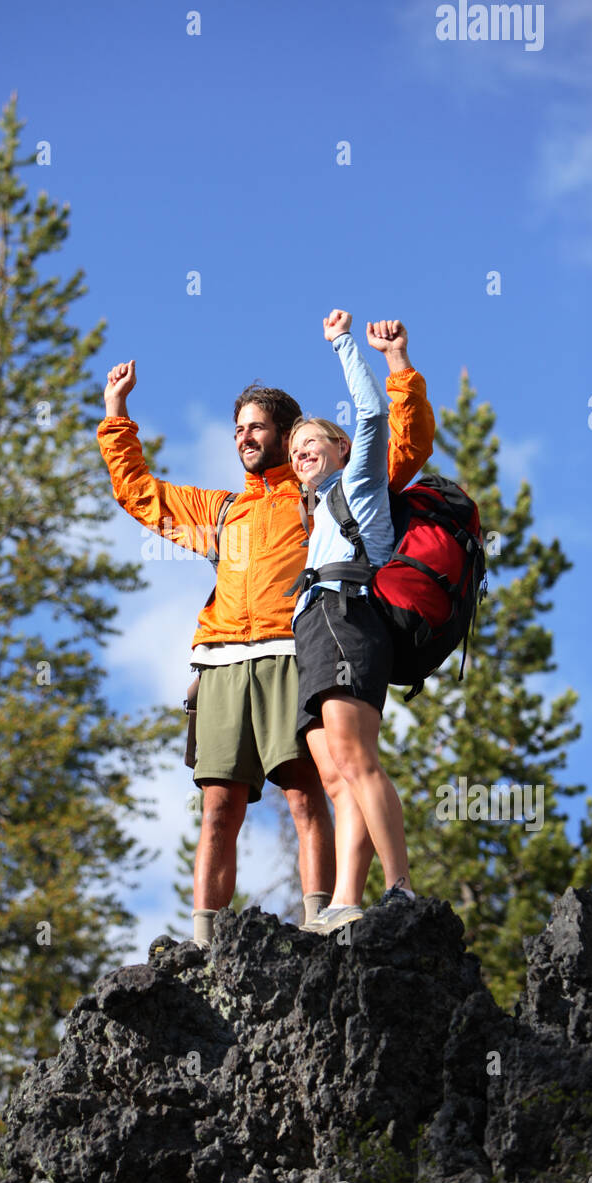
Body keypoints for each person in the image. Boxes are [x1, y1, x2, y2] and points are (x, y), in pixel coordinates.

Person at [98, 331, 432, 946]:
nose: (244, 439)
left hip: (292, 652)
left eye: (255, 428)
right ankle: (203, 945)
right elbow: (141, 494)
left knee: (308, 795)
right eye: (237, 432)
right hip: (221, 660)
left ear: (284, 432)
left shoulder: (320, 494)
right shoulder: (223, 511)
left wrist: (398, 368)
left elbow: (404, 446)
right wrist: (117, 414)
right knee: (218, 808)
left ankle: (321, 921)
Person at [289, 310, 415, 935]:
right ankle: (345, 901)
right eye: (294, 450)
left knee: (355, 756)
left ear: (338, 449)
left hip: (348, 614)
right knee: (335, 774)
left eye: (311, 441)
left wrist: (343, 344)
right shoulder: (315, 516)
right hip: (314, 627)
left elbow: (372, 416)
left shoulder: (359, 480)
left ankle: (400, 888)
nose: (301, 452)